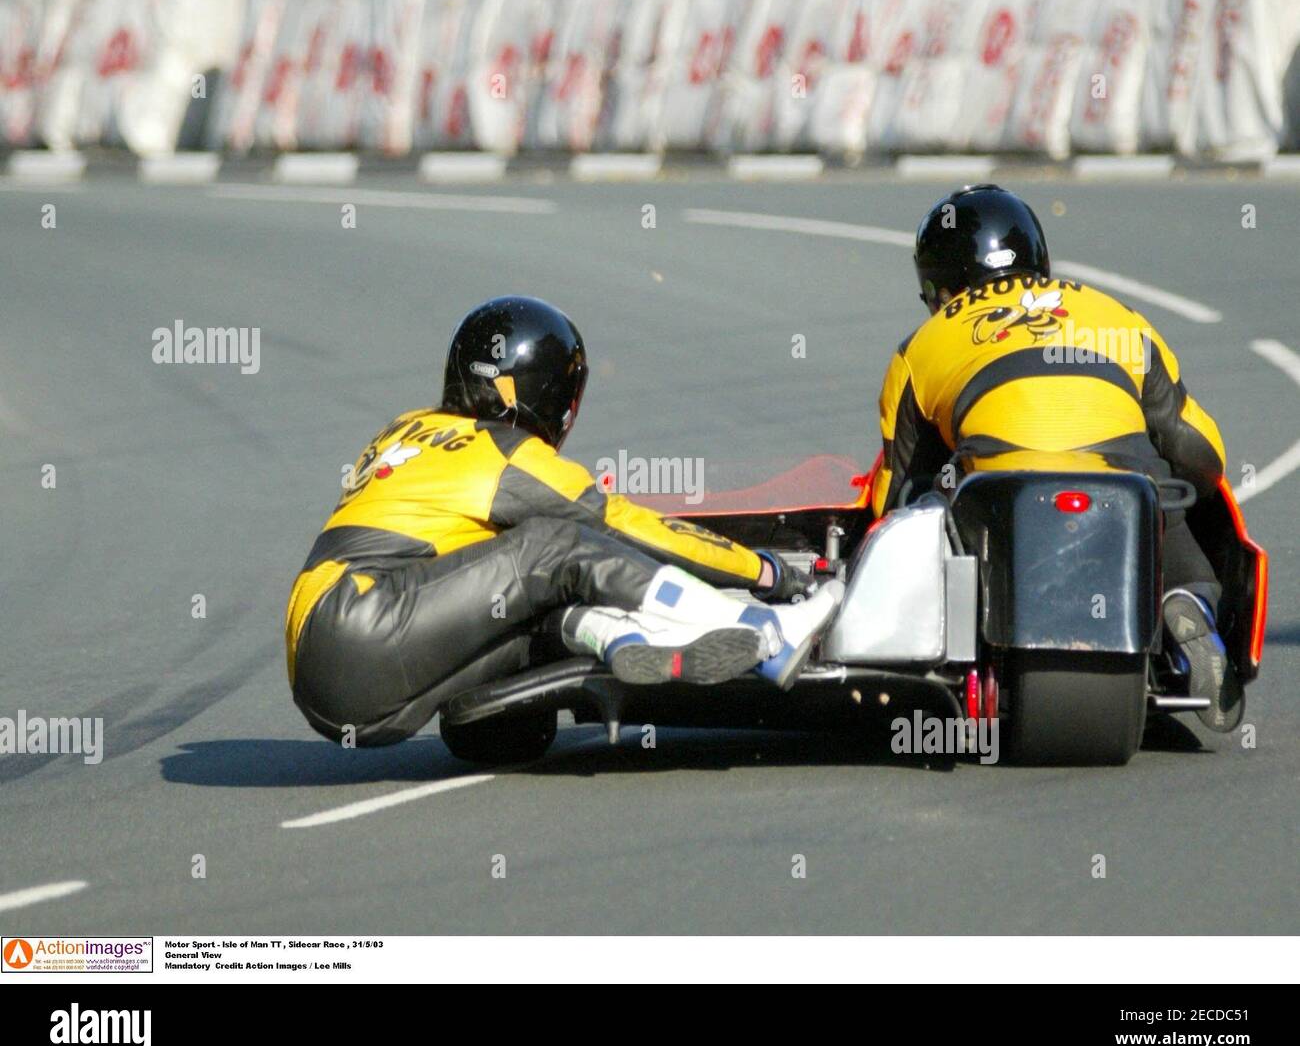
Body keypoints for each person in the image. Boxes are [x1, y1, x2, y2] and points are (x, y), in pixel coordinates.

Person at [286, 296, 842, 746]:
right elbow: (624, 527)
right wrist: (768, 573)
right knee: (557, 545)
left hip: (327, 667)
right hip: (357, 621)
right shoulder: (502, 453)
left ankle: (613, 632)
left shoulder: (406, 428)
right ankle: (764, 630)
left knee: (531, 597)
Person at [873, 184, 1239, 731]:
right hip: (1123, 486)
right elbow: (1200, 449)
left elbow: (891, 491)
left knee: (919, 504)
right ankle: (1185, 600)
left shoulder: (922, 343)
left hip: (995, 494)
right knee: (1169, 495)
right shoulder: (1119, 316)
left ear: (938, 286)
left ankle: (956, 633)